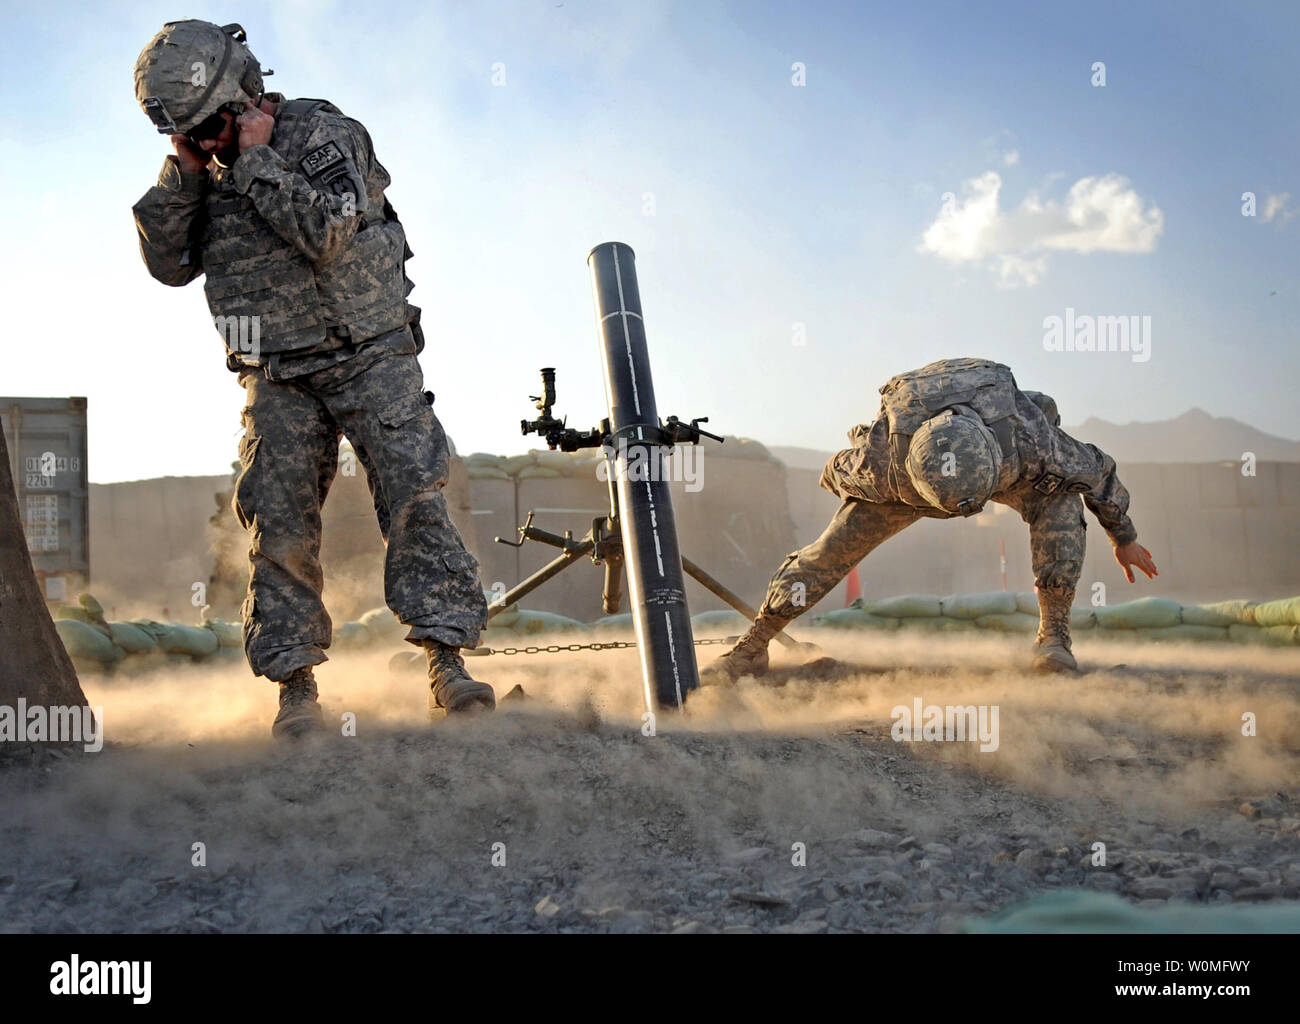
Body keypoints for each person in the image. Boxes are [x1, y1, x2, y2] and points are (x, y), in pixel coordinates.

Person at [131, 20, 494, 737]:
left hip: (369, 354)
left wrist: (258, 161)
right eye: (188, 133)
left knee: (415, 498)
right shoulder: (200, 168)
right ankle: (295, 686)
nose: (207, 142)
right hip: (278, 373)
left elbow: (330, 231)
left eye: (213, 125)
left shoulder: (319, 135)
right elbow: (169, 265)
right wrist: (182, 174)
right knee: (278, 525)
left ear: (243, 89)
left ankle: (446, 663)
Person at [703, 357, 1158, 680]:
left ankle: (1053, 636)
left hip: (1002, 454)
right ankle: (753, 645)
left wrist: (1123, 537)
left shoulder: (1037, 448)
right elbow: (832, 472)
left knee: (1062, 502)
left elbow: (1099, 471)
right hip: (908, 476)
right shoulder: (881, 467)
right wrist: (857, 490)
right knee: (827, 553)